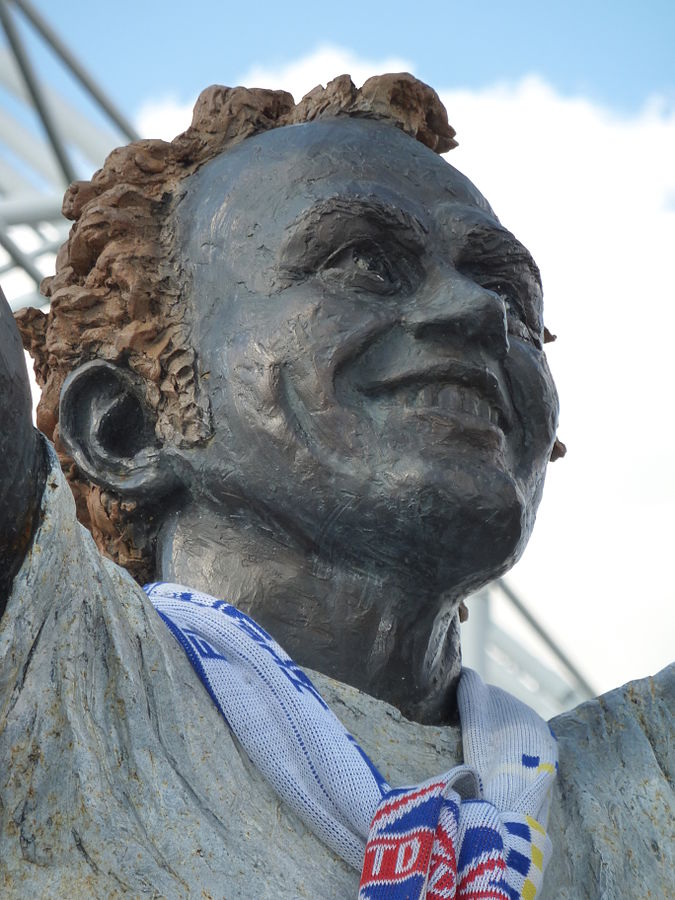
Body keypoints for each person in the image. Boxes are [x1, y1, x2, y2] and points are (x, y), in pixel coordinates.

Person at [1, 74, 668, 898]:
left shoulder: (645, 779)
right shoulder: (44, 673)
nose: (478, 312)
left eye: (509, 291)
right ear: (126, 426)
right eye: (361, 262)